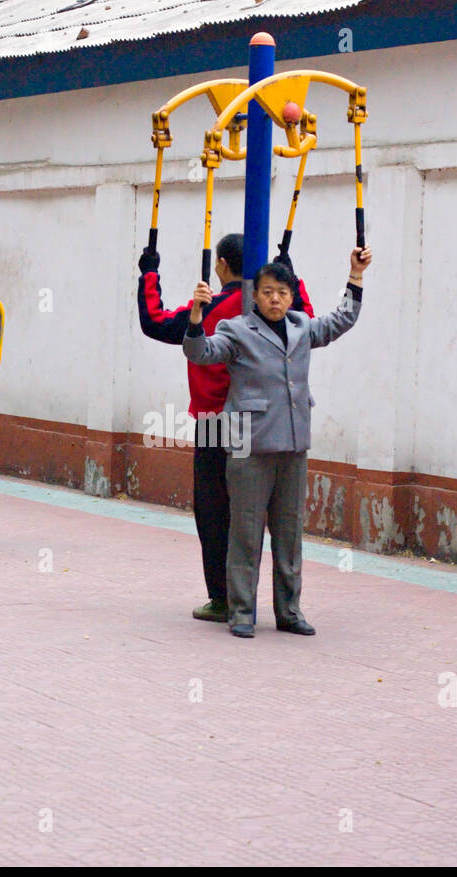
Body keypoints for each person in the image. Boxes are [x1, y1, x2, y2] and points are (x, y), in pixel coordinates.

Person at [183, 246, 371, 638]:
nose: (275, 299)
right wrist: (196, 317)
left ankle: (289, 611)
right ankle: (240, 612)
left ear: (291, 296)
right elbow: (200, 353)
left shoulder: (302, 326)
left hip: (292, 445)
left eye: (282, 293)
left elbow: (341, 320)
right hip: (249, 447)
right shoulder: (236, 329)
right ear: (256, 295)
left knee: (289, 534)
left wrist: (355, 276)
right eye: (267, 292)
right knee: (245, 533)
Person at [138, 234, 313, 623]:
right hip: (266, 426)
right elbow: (309, 319)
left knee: (217, 513)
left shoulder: (211, 308)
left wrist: (150, 272)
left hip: (215, 423)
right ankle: (281, 604)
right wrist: (291, 272)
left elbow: (154, 321)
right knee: (269, 518)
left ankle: (224, 599)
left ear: (219, 265)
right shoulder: (273, 313)